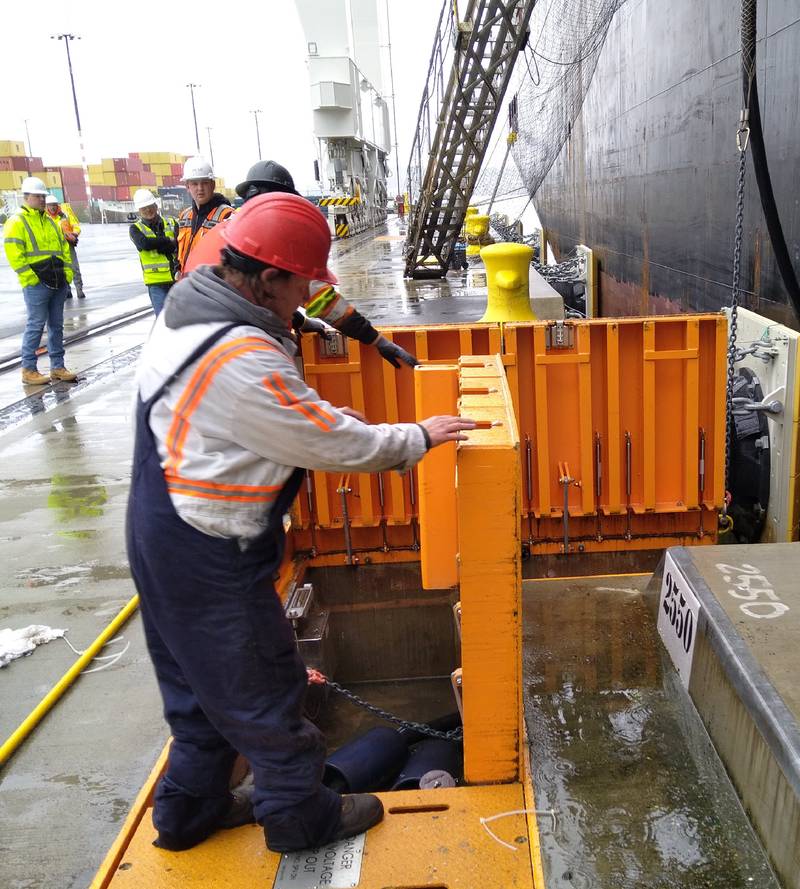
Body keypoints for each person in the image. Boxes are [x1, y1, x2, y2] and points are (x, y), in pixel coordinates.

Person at [126, 191, 474, 854]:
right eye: (300, 286)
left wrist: (311, 329)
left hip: (161, 529)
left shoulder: (193, 301)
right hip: (209, 550)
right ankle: (298, 814)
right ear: (268, 277)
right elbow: (334, 439)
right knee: (265, 685)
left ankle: (186, 813)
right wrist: (418, 436)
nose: (306, 297)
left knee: (199, 696)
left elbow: (271, 331)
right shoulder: (242, 365)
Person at [184, 160, 418, 369]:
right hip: (236, 361)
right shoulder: (268, 237)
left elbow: (244, 300)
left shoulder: (220, 233)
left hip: (196, 356)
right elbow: (321, 300)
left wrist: (301, 321)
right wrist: (376, 340)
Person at [3, 177, 77, 385]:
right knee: (35, 326)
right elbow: (14, 254)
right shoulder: (17, 222)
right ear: (26, 197)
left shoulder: (51, 222)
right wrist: (31, 279)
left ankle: (58, 367)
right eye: (38, 196)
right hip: (37, 283)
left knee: (57, 325)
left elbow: (63, 249)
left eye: (43, 196)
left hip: (57, 280)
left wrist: (67, 275)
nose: (42, 200)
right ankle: (28, 369)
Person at [176, 157, 233, 274]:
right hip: (187, 282)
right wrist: (176, 268)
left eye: (205, 183)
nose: (200, 188)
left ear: (213, 185)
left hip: (212, 286)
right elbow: (178, 250)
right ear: (187, 186)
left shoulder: (227, 216)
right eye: (194, 184)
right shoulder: (184, 216)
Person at [129, 189, 179, 316]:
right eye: (144, 208)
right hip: (156, 283)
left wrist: (161, 245)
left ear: (156, 206)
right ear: (139, 210)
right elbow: (144, 244)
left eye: (150, 206)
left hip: (176, 278)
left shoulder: (172, 223)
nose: (148, 210)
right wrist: (167, 240)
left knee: (181, 318)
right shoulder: (135, 228)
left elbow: (179, 244)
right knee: (162, 321)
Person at [45, 195, 85, 299]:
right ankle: (66, 290)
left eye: (54, 205)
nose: (52, 208)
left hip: (68, 244)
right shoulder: (45, 217)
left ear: (57, 205)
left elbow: (75, 225)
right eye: (50, 205)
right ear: (47, 206)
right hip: (55, 247)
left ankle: (79, 289)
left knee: (74, 268)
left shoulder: (65, 215)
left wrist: (74, 234)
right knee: (60, 269)